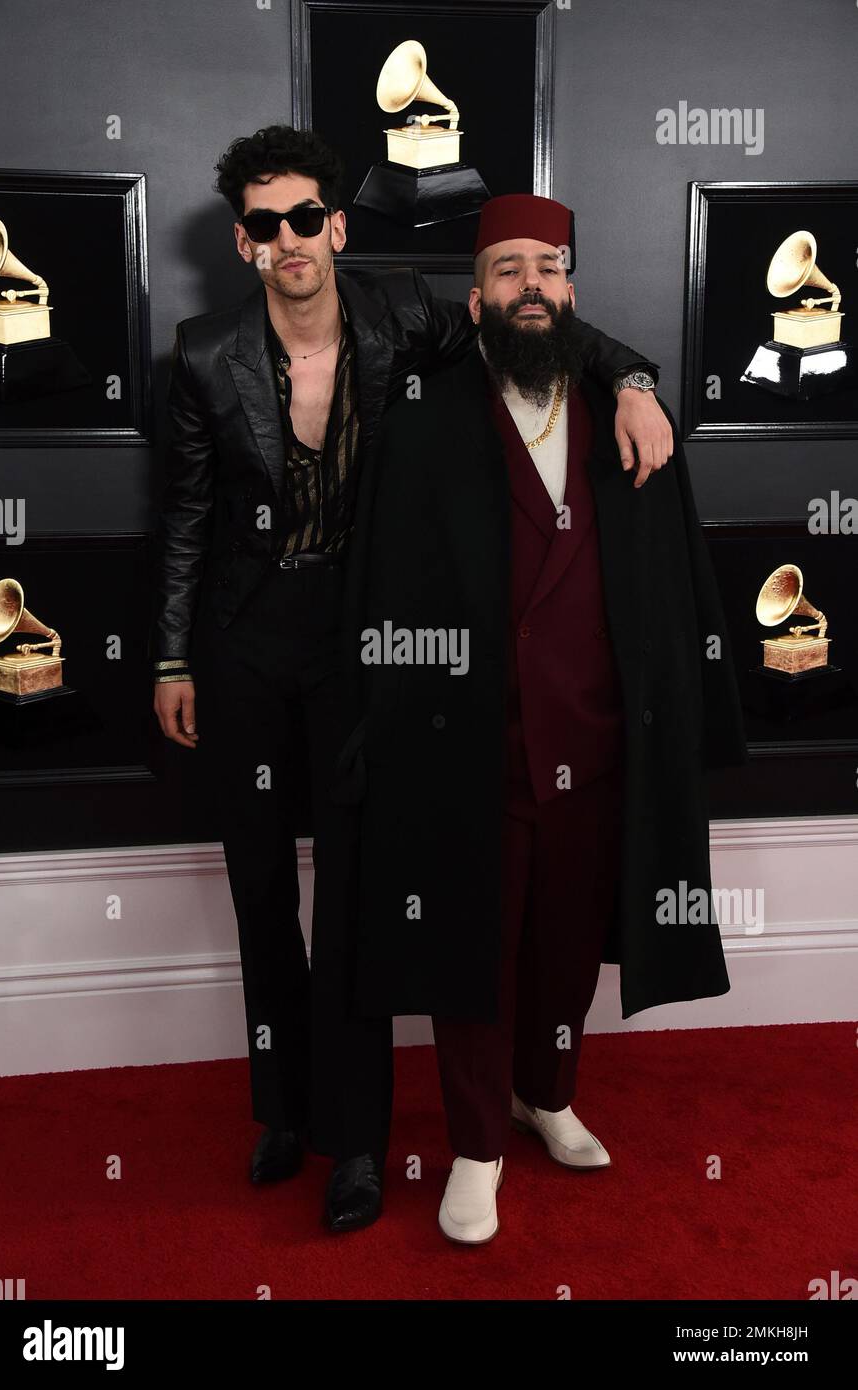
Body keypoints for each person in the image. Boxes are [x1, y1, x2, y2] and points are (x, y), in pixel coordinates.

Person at [150, 127, 674, 1234]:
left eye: (307, 217)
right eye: (265, 223)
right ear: (244, 244)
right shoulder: (203, 354)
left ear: (336, 226)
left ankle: (358, 1144)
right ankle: (282, 1110)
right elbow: (188, 520)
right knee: (259, 896)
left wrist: (631, 375)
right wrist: (170, 654)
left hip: (362, 639)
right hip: (246, 640)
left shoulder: (399, 311)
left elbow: (537, 322)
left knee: (353, 898)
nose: (289, 239)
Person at [338, 192, 748, 1243]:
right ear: (474, 300)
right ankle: (476, 1144)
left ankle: (544, 1094)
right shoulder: (422, 425)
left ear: (572, 291)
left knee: (568, 944)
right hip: (472, 749)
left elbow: (678, 589)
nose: (532, 284)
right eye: (509, 268)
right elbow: (381, 595)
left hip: (599, 743)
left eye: (550, 267)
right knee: (474, 946)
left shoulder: (633, 423)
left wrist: (641, 377)